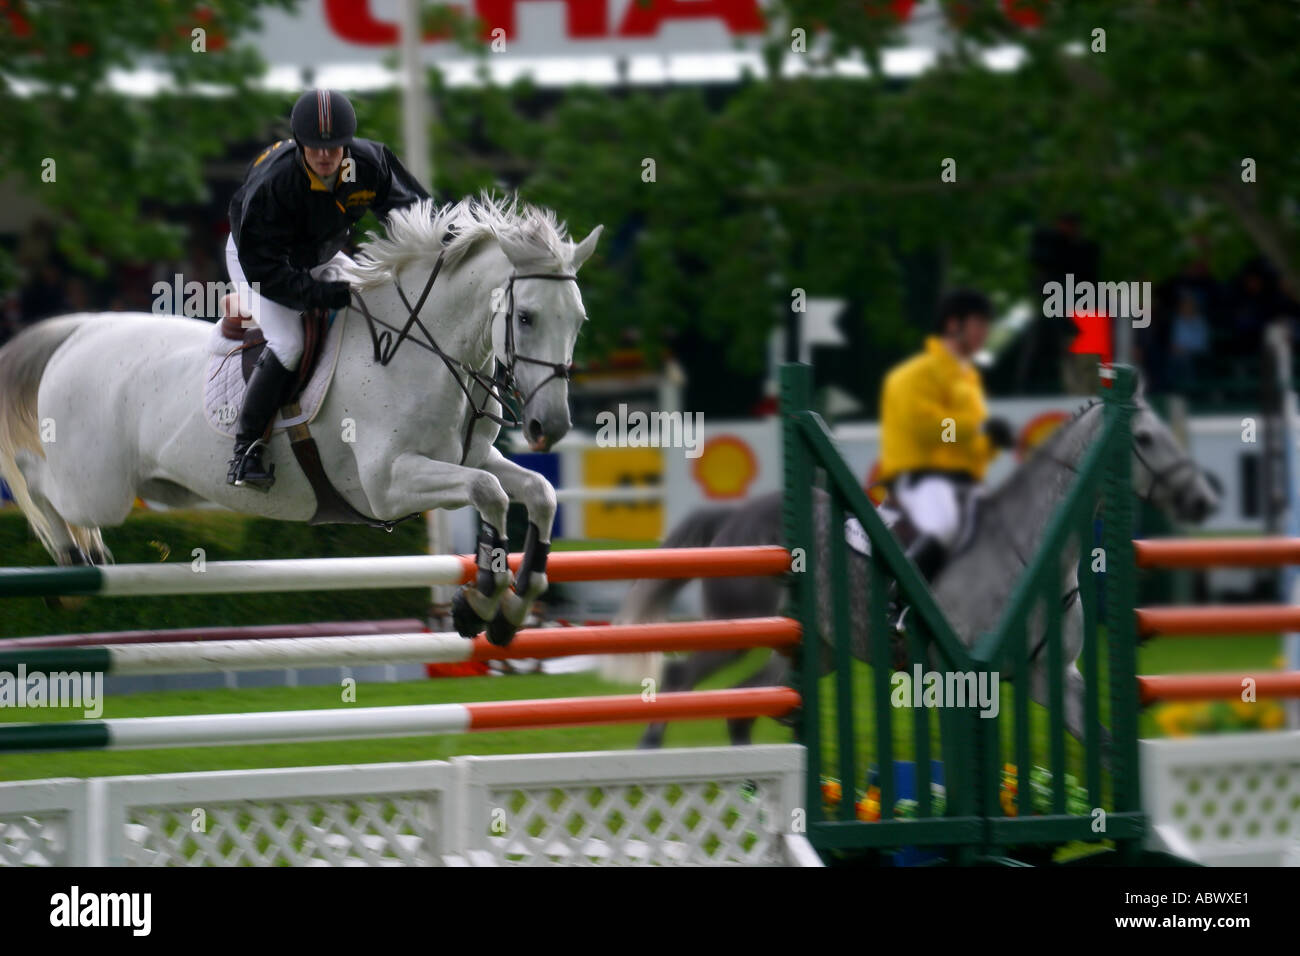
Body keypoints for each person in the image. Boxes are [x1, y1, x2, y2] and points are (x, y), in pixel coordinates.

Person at [224, 89, 430, 489]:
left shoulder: (370, 163)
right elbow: (264, 267)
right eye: (315, 147)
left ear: (347, 143)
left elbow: (416, 214)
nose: (324, 156)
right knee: (289, 343)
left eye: (333, 146)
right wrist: (319, 296)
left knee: (380, 306)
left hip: (321, 255)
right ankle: (246, 450)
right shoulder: (277, 182)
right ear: (301, 144)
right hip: (259, 262)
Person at [878, 289, 1016, 632]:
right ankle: (896, 602)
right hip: (919, 478)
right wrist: (976, 429)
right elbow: (927, 430)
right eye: (979, 324)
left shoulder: (968, 379)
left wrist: (990, 445)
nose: (985, 333)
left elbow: (965, 449)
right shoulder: (915, 374)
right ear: (953, 325)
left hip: (961, 482)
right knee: (945, 525)